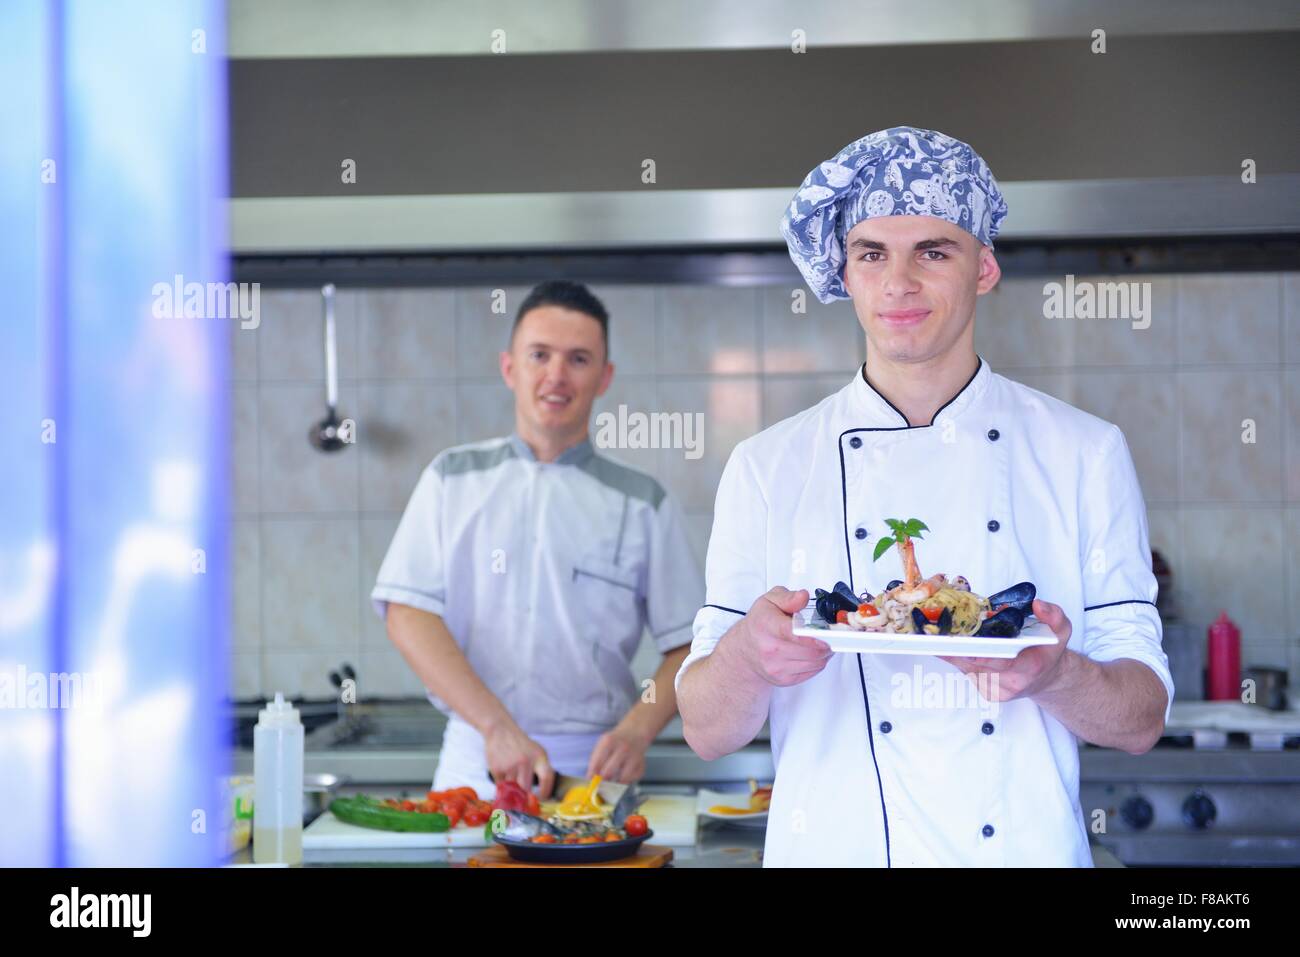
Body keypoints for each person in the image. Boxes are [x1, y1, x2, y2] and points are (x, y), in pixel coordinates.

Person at [675, 127, 1173, 867]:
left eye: (933, 251)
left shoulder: (1084, 452)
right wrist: (749, 656)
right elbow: (707, 730)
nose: (898, 283)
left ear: (984, 268)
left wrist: (1054, 672)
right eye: (872, 253)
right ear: (845, 273)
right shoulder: (766, 466)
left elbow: (1140, 719)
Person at [372, 280, 702, 799]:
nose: (556, 376)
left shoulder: (644, 502)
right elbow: (406, 612)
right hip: (475, 762)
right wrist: (496, 727)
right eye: (539, 355)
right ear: (510, 367)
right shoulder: (450, 478)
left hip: (595, 772)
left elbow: (689, 643)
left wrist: (637, 730)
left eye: (578, 359)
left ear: (604, 376)